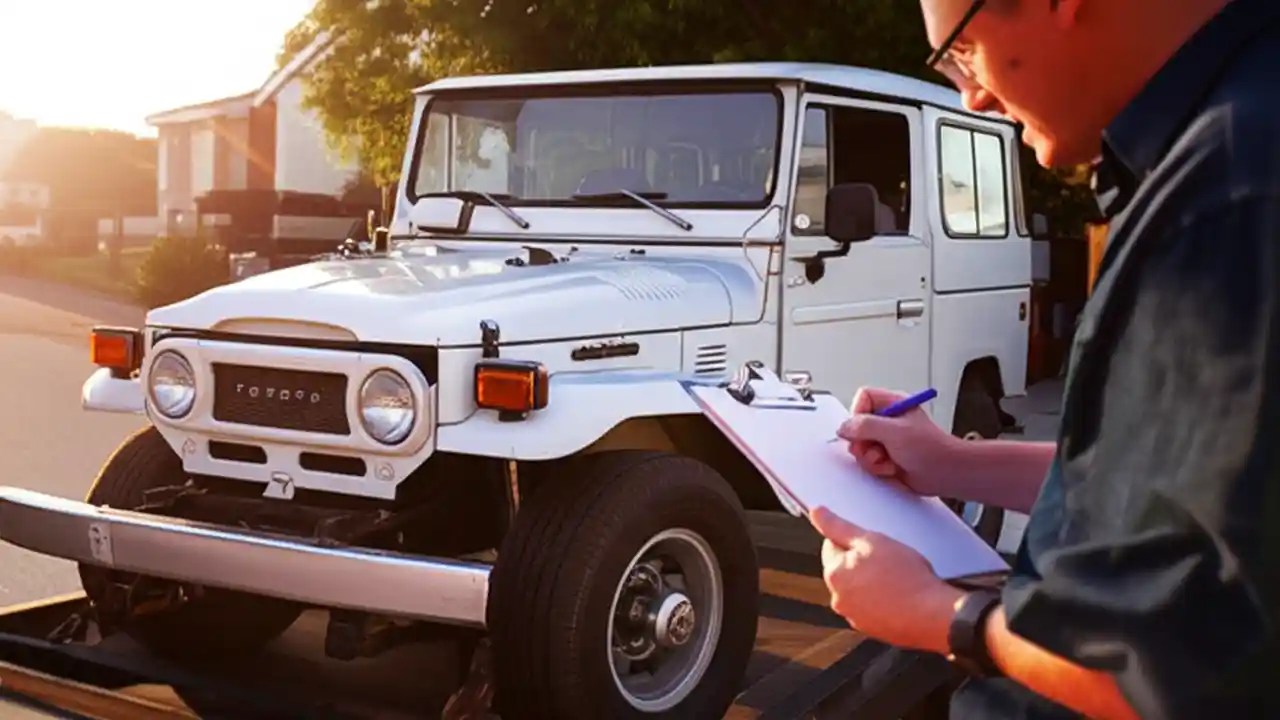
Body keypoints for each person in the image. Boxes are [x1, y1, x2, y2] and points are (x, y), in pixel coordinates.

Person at [807, 0, 1280, 718]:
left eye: (962, 51)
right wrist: (948, 463)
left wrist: (940, 615)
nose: (974, 95)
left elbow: (1176, 679)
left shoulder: (1231, 191)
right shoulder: (1230, 135)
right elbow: (1155, 489)